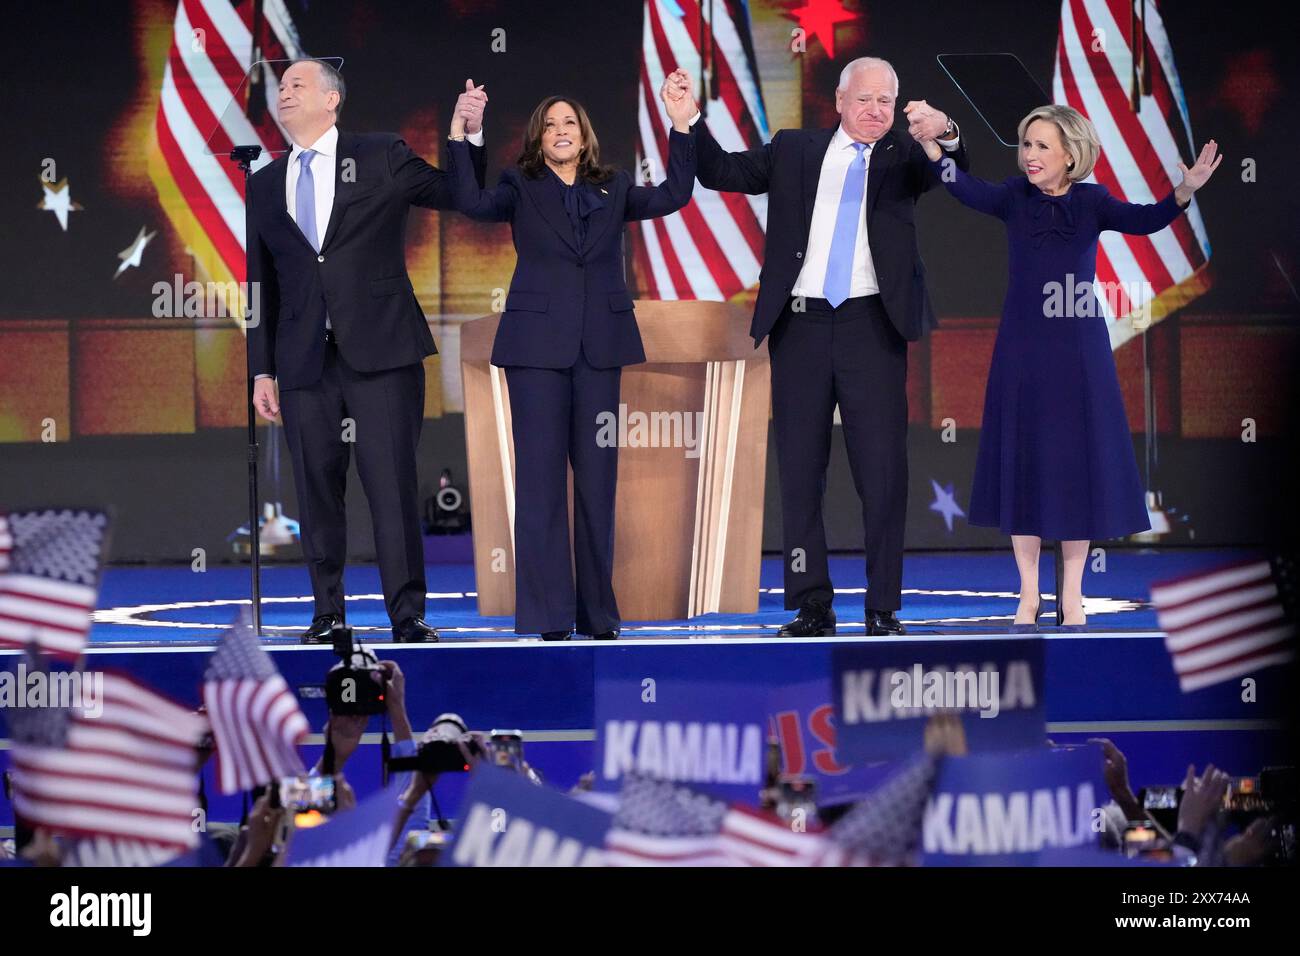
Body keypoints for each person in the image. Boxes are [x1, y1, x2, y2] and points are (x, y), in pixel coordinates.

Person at [670, 57, 968, 636]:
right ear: (838, 100)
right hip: (801, 327)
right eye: (865, 100)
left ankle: (883, 607)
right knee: (801, 471)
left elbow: (954, 173)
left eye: (886, 101)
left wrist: (947, 134)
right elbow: (721, 172)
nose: (876, 111)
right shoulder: (793, 149)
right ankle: (812, 604)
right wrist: (688, 122)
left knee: (882, 473)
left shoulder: (907, 156)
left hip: (872, 326)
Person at [915, 105, 1220, 628]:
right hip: (1023, 348)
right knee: (1025, 462)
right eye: (1025, 144)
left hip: (1079, 350)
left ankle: (1073, 595)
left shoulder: (1093, 201)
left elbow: (1145, 220)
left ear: (1070, 155)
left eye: (1040, 146)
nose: (1028, 155)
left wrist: (1184, 191)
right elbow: (964, 187)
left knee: (1074, 468)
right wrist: (932, 149)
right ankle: (1029, 595)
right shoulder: (1013, 197)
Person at [444, 78, 699, 640]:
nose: (561, 132)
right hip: (536, 352)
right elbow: (470, 201)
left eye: (570, 124)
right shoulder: (520, 184)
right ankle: (546, 615)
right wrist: (465, 133)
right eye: (551, 124)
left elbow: (674, 196)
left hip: (599, 350)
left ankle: (596, 614)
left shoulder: (614, 186)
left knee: (597, 482)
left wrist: (682, 125)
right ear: (540, 139)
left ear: (585, 138)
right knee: (539, 482)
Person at [246, 60, 488, 644]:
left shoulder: (379, 154)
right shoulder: (263, 183)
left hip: (381, 350)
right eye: (279, 88)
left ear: (332, 100)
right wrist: (262, 368)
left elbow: (458, 193)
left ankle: (408, 615)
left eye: (296, 85)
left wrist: (464, 135)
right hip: (305, 361)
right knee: (316, 489)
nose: (284, 94)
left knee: (391, 485)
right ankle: (327, 612)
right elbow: (261, 285)